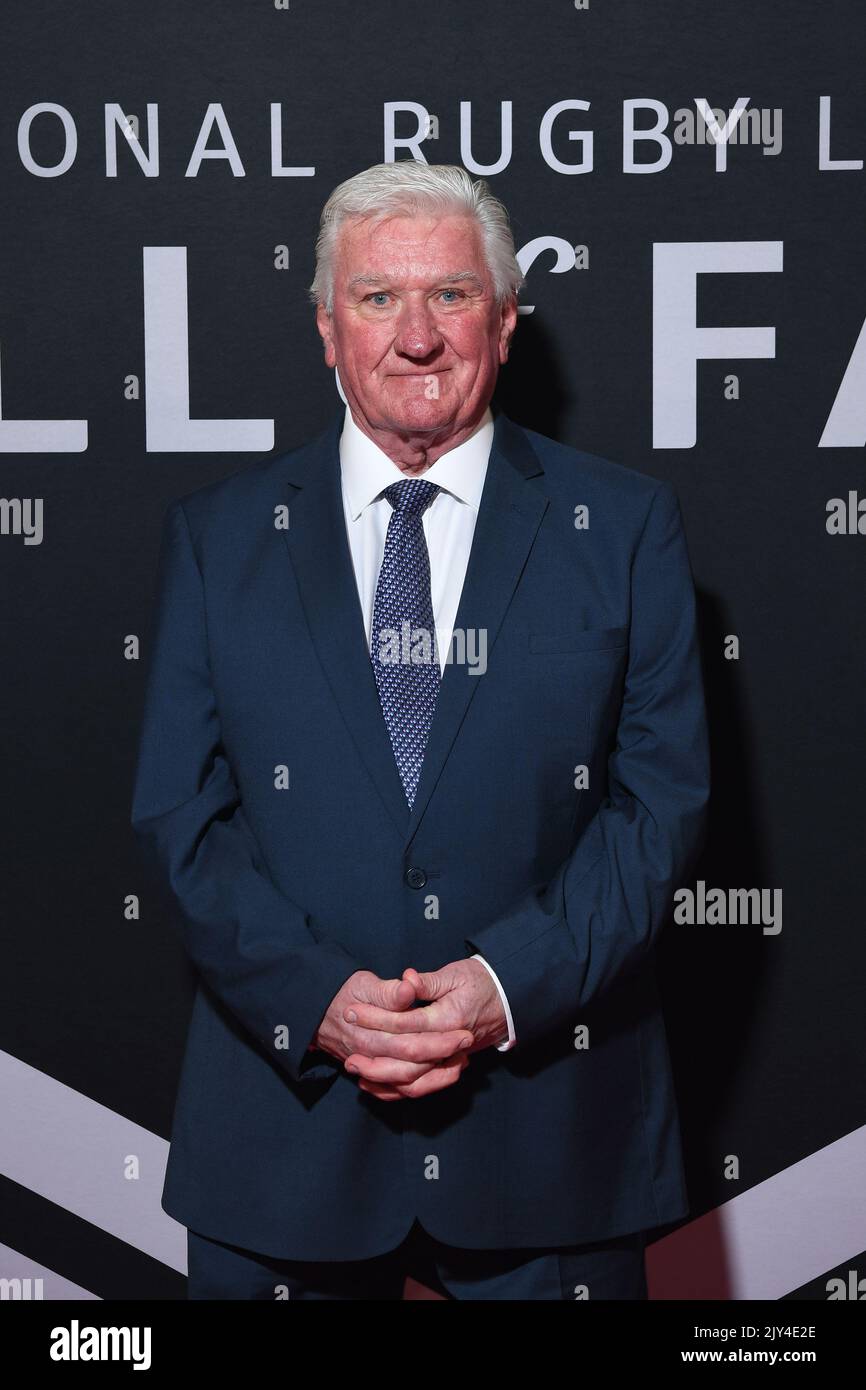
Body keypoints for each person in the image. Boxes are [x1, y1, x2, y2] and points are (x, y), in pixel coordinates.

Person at [131, 160, 710, 1300]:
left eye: (449, 296)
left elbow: (659, 809)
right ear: (325, 328)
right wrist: (320, 1000)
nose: (415, 336)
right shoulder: (218, 541)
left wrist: (503, 986)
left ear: (502, 322)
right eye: (376, 298)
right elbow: (181, 816)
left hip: (549, 1141)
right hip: (282, 1142)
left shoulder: (623, 528)